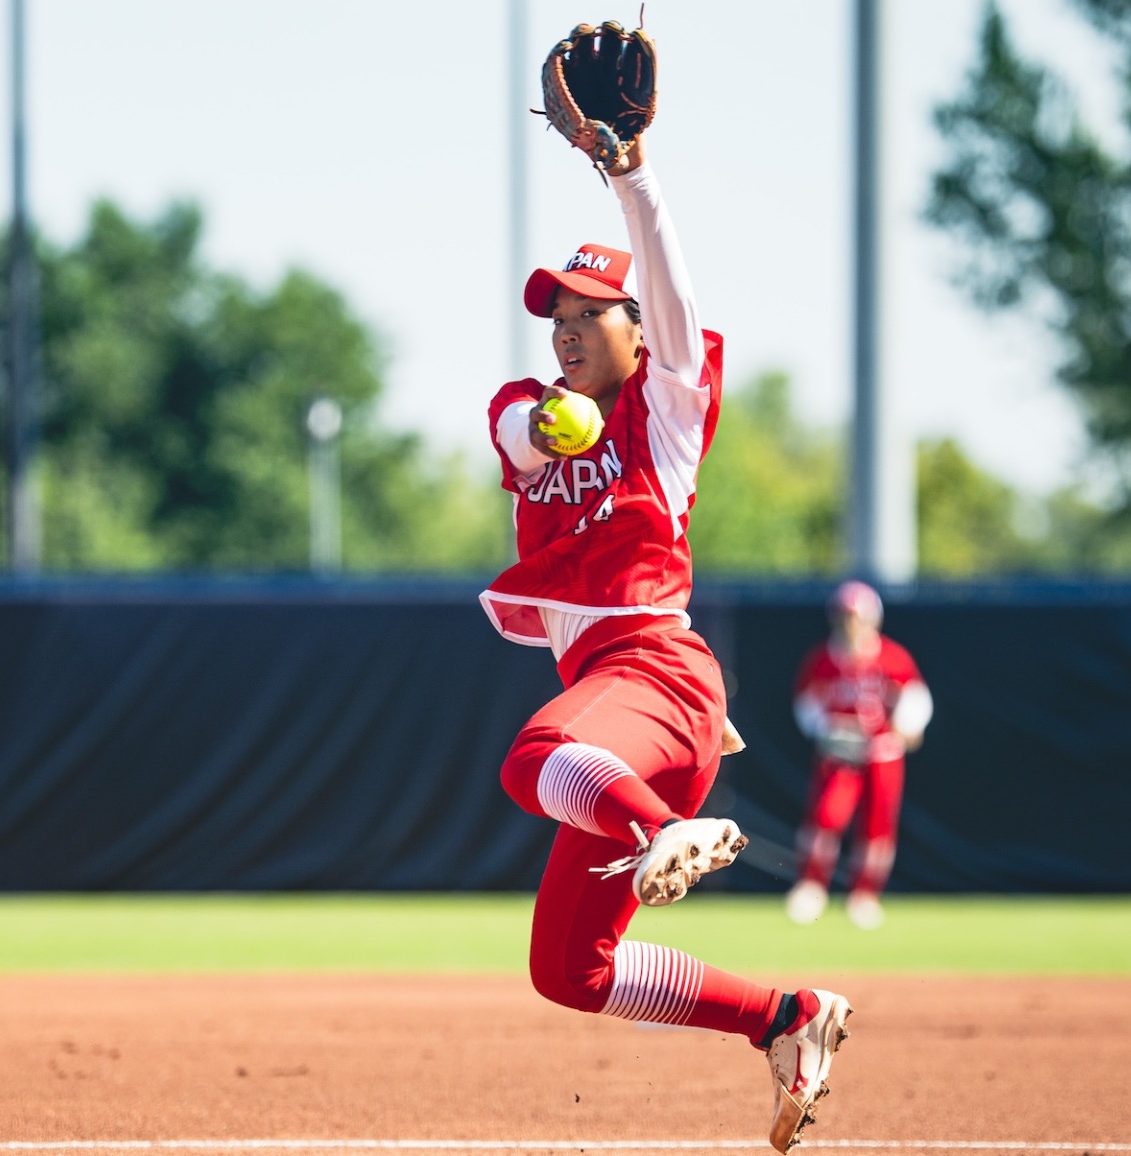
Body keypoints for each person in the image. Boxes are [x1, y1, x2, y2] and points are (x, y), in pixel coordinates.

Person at [480, 128, 851, 1154]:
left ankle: (658, 834)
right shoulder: (534, 407)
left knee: (531, 757)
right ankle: (785, 1017)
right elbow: (514, 432)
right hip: (621, 725)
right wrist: (548, 418)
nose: (565, 327)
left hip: (657, 676)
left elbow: (679, 316)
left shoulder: (667, 415)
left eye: (589, 312)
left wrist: (634, 176)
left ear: (637, 332)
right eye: (556, 314)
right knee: (570, 973)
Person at [785, 580, 934, 930]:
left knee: (878, 827)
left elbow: (915, 697)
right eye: (846, 617)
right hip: (841, 753)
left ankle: (865, 894)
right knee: (826, 818)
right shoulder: (824, 659)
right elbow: (808, 704)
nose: (851, 625)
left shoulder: (893, 657)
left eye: (857, 617)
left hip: (882, 752)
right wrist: (827, 731)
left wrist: (907, 725)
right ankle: (811, 886)